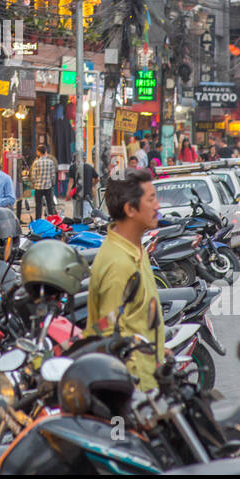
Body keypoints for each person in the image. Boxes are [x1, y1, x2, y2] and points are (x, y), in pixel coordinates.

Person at [85, 168, 165, 392]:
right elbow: (109, 339)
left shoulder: (136, 248)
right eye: (151, 199)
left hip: (150, 379)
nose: (158, 206)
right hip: (134, 395)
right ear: (130, 209)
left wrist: (158, 350)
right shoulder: (119, 265)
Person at [28, 144, 57, 220]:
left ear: (38, 152)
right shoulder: (50, 162)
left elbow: (33, 176)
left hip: (38, 187)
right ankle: (51, 221)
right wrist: (52, 184)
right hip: (48, 187)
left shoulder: (36, 163)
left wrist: (34, 184)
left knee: (38, 206)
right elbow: (53, 176)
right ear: (46, 151)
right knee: (50, 205)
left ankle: (38, 221)